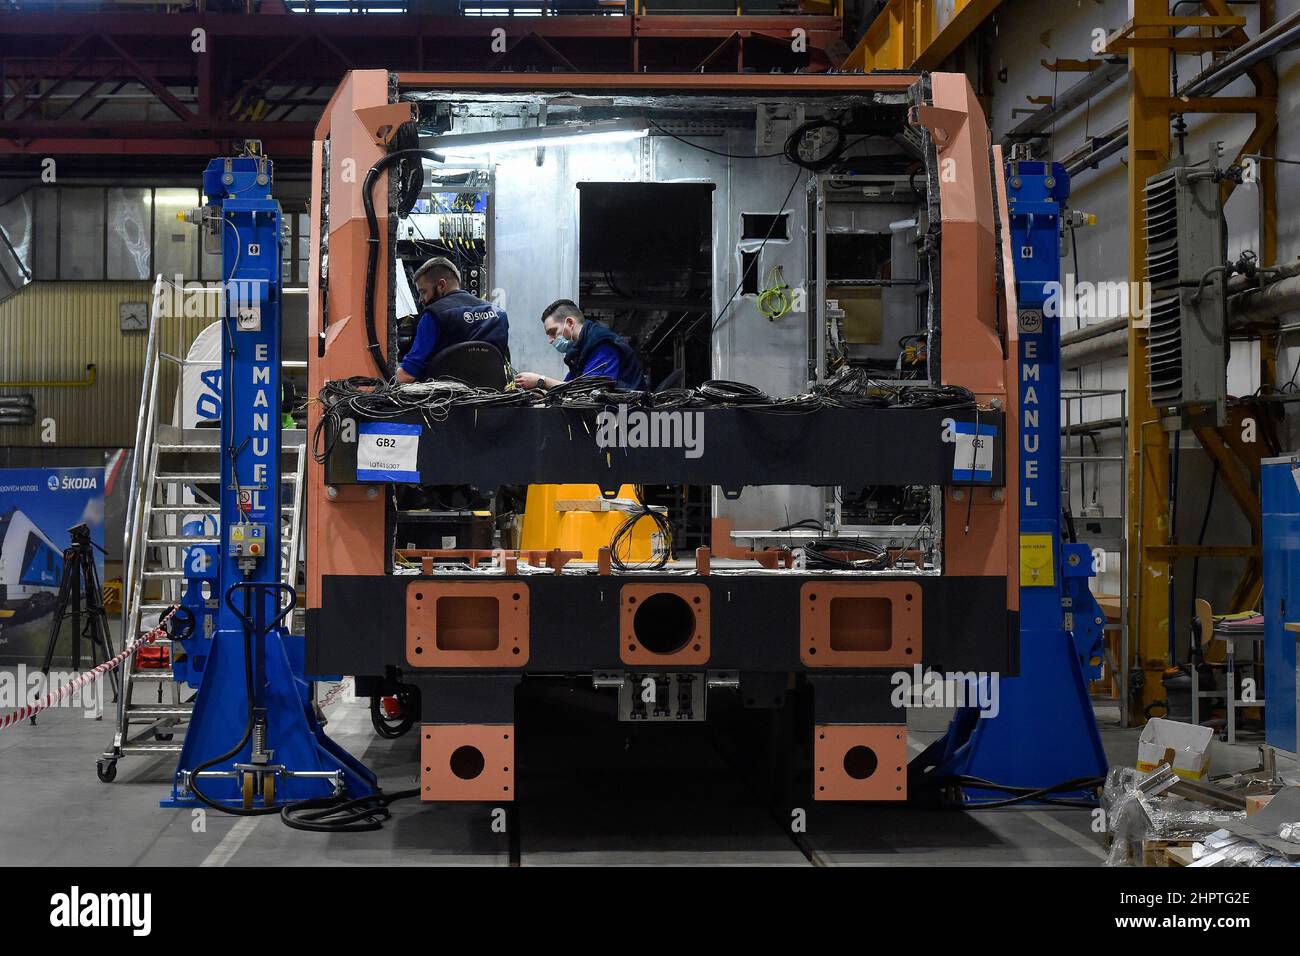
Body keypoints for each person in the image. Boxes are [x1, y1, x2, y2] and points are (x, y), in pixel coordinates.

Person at [396, 257, 510, 383]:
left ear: (441, 285)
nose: (421, 299)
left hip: (443, 399)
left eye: (423, 292)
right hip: (493, 397)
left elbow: (408, 375)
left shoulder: (433, 315)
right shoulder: (499, 314)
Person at [514, 299, 645, 391]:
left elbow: (588, 390)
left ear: (570, 323)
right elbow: (568, 386)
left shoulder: (602, 344)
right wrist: (540, 392)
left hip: (626, 420)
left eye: (553, 332)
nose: (550, 340)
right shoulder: (579, 351)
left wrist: (540, 381)